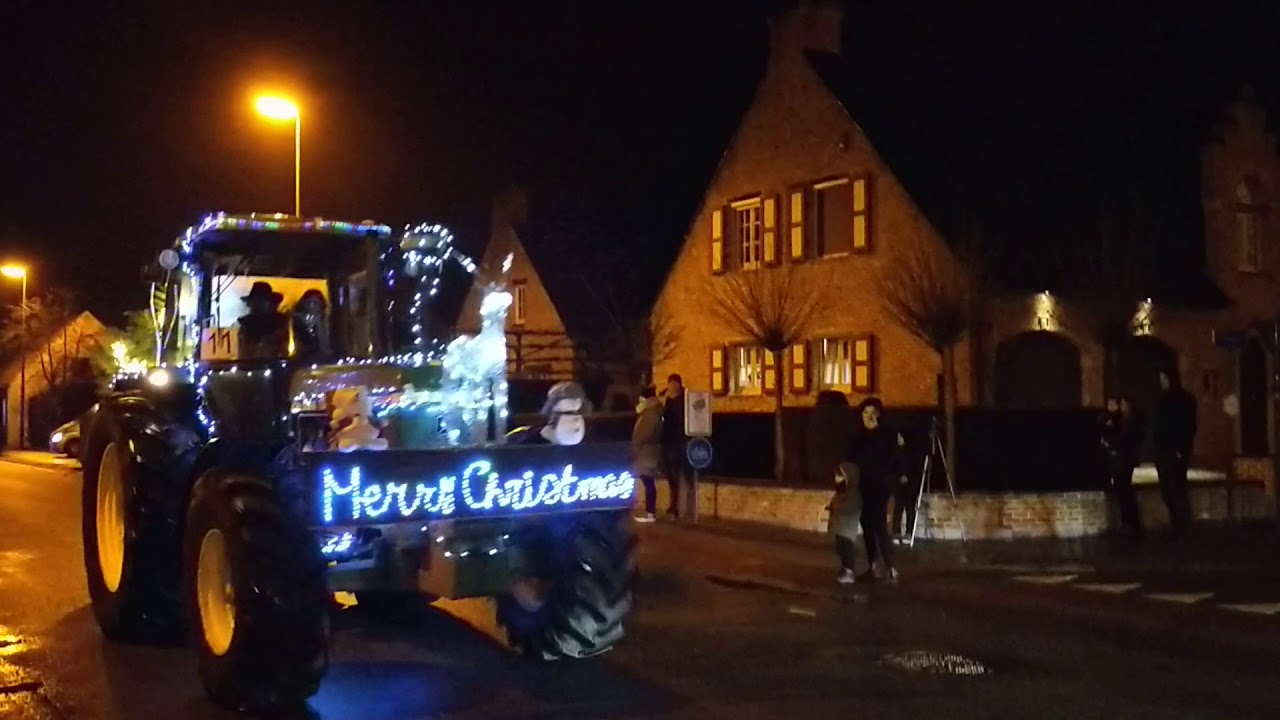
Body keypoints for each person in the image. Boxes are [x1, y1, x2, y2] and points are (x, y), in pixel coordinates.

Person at [845, 396, 905, 582]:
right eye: (865, 412)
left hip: (879, 486)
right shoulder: (856, 436)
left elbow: (895, 458)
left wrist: (896, 476)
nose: (869, 416)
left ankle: (891, 567)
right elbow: (850, 461)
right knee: (867, 527)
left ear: (878, 414)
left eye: (873, 412)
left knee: (879, 525)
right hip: (861, 486)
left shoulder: (886, 435)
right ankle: (873, 566)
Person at [1152, 368, 1196, 538]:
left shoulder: (1185, 400)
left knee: (1177, 488)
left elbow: (1188, 427)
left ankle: (1182, 525)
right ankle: (1177, 522)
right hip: (1163, 451)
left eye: (1164, 378)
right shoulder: (1162, 400)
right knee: (1167, 490)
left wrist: (1180, 450)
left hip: (1175, 451)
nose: (1162, 382)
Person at [1100, 395, 1146, 540]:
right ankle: (1128, 523)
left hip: (1124, 460)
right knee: (1122, 491)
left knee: (1125, 492)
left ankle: (1132, 524)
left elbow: (1125, 439)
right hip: (1120, 460)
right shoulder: (1119, 419)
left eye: (1123, 404)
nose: (1121, 407)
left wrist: (1113, 445)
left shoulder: (1130, 421)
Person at [631, 386, 663, 523]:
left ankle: (650, 512)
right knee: (646, 480)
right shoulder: (650, 411)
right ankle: (649, 511)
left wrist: (636, 446)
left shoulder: (650, 413)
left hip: (646, 452)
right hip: (646, 452)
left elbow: (645, 433)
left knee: (647, 480)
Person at [829, 460, 863, 584]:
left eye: (840, 475)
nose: (837, 478)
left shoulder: (853, 493)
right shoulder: (842, 490)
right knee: (841, 549)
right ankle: (845, 568)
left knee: (846, 549)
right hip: (840, 526)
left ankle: (849, 572)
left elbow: (849, 508)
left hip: (846, 528)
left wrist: (835, 507)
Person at [660, 373, 688, 519]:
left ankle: (676, 506)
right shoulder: (668, 400)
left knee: (677, 475)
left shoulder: (683, 400)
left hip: (678, 441)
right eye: (670, 383)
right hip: (668, 441)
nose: (671, 386)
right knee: (670, 475)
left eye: (673, 383)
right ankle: (673, 504)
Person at [237, 281, 288, 359]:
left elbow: (282, 352)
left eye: (261, 301)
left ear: (269, 303)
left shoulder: (279, 325)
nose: (257, 305)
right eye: (255, 301)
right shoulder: (245, 326)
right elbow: (242, 353)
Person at [291, 289, 331, 360]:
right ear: (304, 304)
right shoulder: (298, 320)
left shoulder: (326, 320)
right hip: (304, 358)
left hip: (324, 357)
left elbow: (324, 342)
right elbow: (299, 343)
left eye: (316, 303)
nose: (312, 306)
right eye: (309, 302)